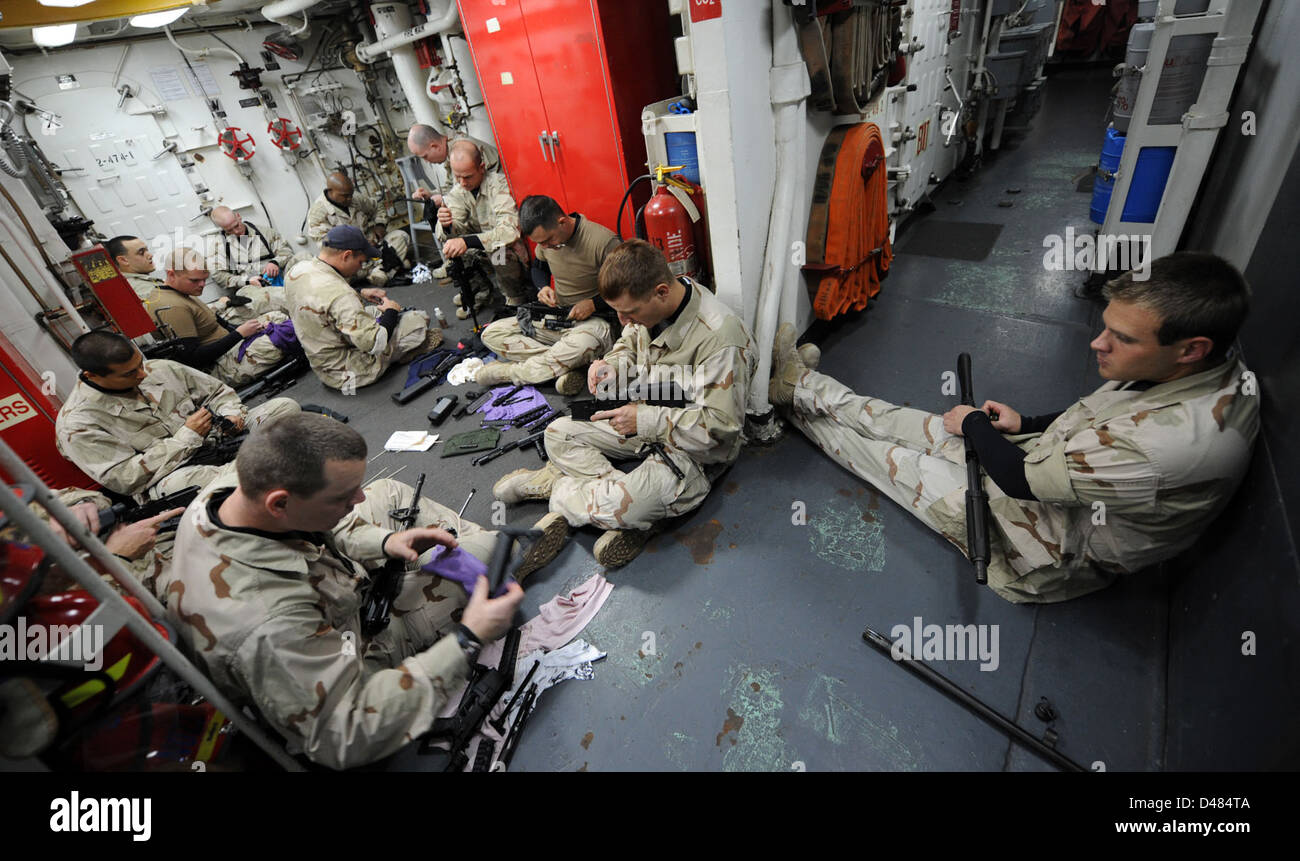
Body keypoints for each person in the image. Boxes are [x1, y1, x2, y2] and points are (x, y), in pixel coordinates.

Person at [771, 252, 1260, 603]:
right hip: (1046, 462)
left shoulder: (1167, 445)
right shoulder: (1204, 367)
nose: (1097, 344)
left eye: (1122, 338)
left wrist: (977, 429)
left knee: (880, 456)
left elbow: (1021, 482)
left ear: (1191, 347)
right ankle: (801, 385)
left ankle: (789, 408)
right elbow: (1098, 415)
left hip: (1040, 535)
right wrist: (1023, 423)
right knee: (899, 420)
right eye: (1105, 326)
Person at [157, 413, 569, 769]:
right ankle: (496, 570)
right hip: (348, 655)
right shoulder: (265, 623)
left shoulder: (228, 491)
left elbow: (332, 522)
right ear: (279, 504)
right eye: (342, 496)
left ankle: (482, 566)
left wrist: (384, 543)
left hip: (330, 589)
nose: (357, 499)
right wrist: (469, 638)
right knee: (490, 551)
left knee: (387, 492)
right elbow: (345, 733)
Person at [494, 240, 756, 567]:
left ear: (661, 291)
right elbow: (626, 344)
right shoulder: (648, 309)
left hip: (696, 448)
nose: (623, 320)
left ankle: (564, 490)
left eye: (629, 312)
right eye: (618, 311)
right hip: (644, 409)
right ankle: (618, 507)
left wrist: (643, 420)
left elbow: (721, 430)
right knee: (558, 432)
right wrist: (609, 366)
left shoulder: (718, 338)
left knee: (636, 501)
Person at [54, 330, 300, 503]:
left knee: (283, 407)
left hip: (219, 442)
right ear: (93, 376)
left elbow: (217, 392)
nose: (142, 374)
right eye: (130, 373)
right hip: (170, 477)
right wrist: (187, 437)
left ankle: (264, 467)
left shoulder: (158, 368)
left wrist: (231, 414)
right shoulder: (78, 423)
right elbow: (126, 479)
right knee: (203, 480)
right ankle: (274, 466)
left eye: (140, 363)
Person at [476, 195, 620, 394]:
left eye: (548, 241)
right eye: (539, 243)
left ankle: (508, 373)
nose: (545, 247)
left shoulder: (603, 241)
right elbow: (538, 267)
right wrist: (542, 287)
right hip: (559, 316)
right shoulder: (548, 241)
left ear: (562, 222)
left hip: (595, 322)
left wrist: (594, 304)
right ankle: (565, 366)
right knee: (491, 333)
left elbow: (626, 288)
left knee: (580, 346)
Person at [285, 225, 440, 391]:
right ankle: (397, 356)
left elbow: (321, 298)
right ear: (347, 255)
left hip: (321, 360)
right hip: (347, 373)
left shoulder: (298, 269)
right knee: (418, 320)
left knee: (372, 311)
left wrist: (359, 292)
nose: (361, 267)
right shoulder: (341, 295)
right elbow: (376, 343)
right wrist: (391, 312)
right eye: (361, 262)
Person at [142, 246, 292, 387]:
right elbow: (194, 359)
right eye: (195, 280)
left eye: (204, 279)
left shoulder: (185, 292)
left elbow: (220, 323)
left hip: (229, 347)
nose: (202, 285)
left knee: (277, 317)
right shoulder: (172, 306)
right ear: (171, 274)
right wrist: (239, 334)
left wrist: (248, 331)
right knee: (289, 331)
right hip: (220, 367)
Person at [434, 140, 532, 318]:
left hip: (505, 250)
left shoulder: (499, 185)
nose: (462, 183)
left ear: (482, 167)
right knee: (453, 249)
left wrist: (467, 241)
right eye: (458, 176)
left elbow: (509, 231)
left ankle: (516, 298)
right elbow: (449, 233)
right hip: (481, 247)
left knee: (499, 252)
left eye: (468, 176)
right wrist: (446, 224)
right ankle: (479, 293)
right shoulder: (458, 191)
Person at [306, 172, 410, 286]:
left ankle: (377, 274)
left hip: (371, 252)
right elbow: (328, 250)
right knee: (330, 273)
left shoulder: (355, 198)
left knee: (400, 236)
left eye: (351, 194)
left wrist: (380, 225)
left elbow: (377, 207)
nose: (349, 198)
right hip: (349, 261)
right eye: (345, 195)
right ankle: (386, 270)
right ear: (330, 191)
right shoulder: (318, 213)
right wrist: (360, 247)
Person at [205, 206, 301, 320]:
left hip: (278, 275)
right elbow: (219, 276)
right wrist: (245, 281)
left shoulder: (264, 232)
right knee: (280, 295)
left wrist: (275, 262)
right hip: (251, 288)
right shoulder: (218, 246)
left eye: (236, 226)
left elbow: (285, 251)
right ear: (221, 228)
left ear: (238, 217)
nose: (236, 232)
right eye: (229, 230)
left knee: (303, 256)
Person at [405, 123, 501, 211]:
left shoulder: (461, 150)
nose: (426, 161)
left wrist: (445, 200)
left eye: (425, 156)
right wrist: (431, 194)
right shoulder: (450, 149)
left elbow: (472, 188)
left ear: (434, 146)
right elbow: (453, 186)